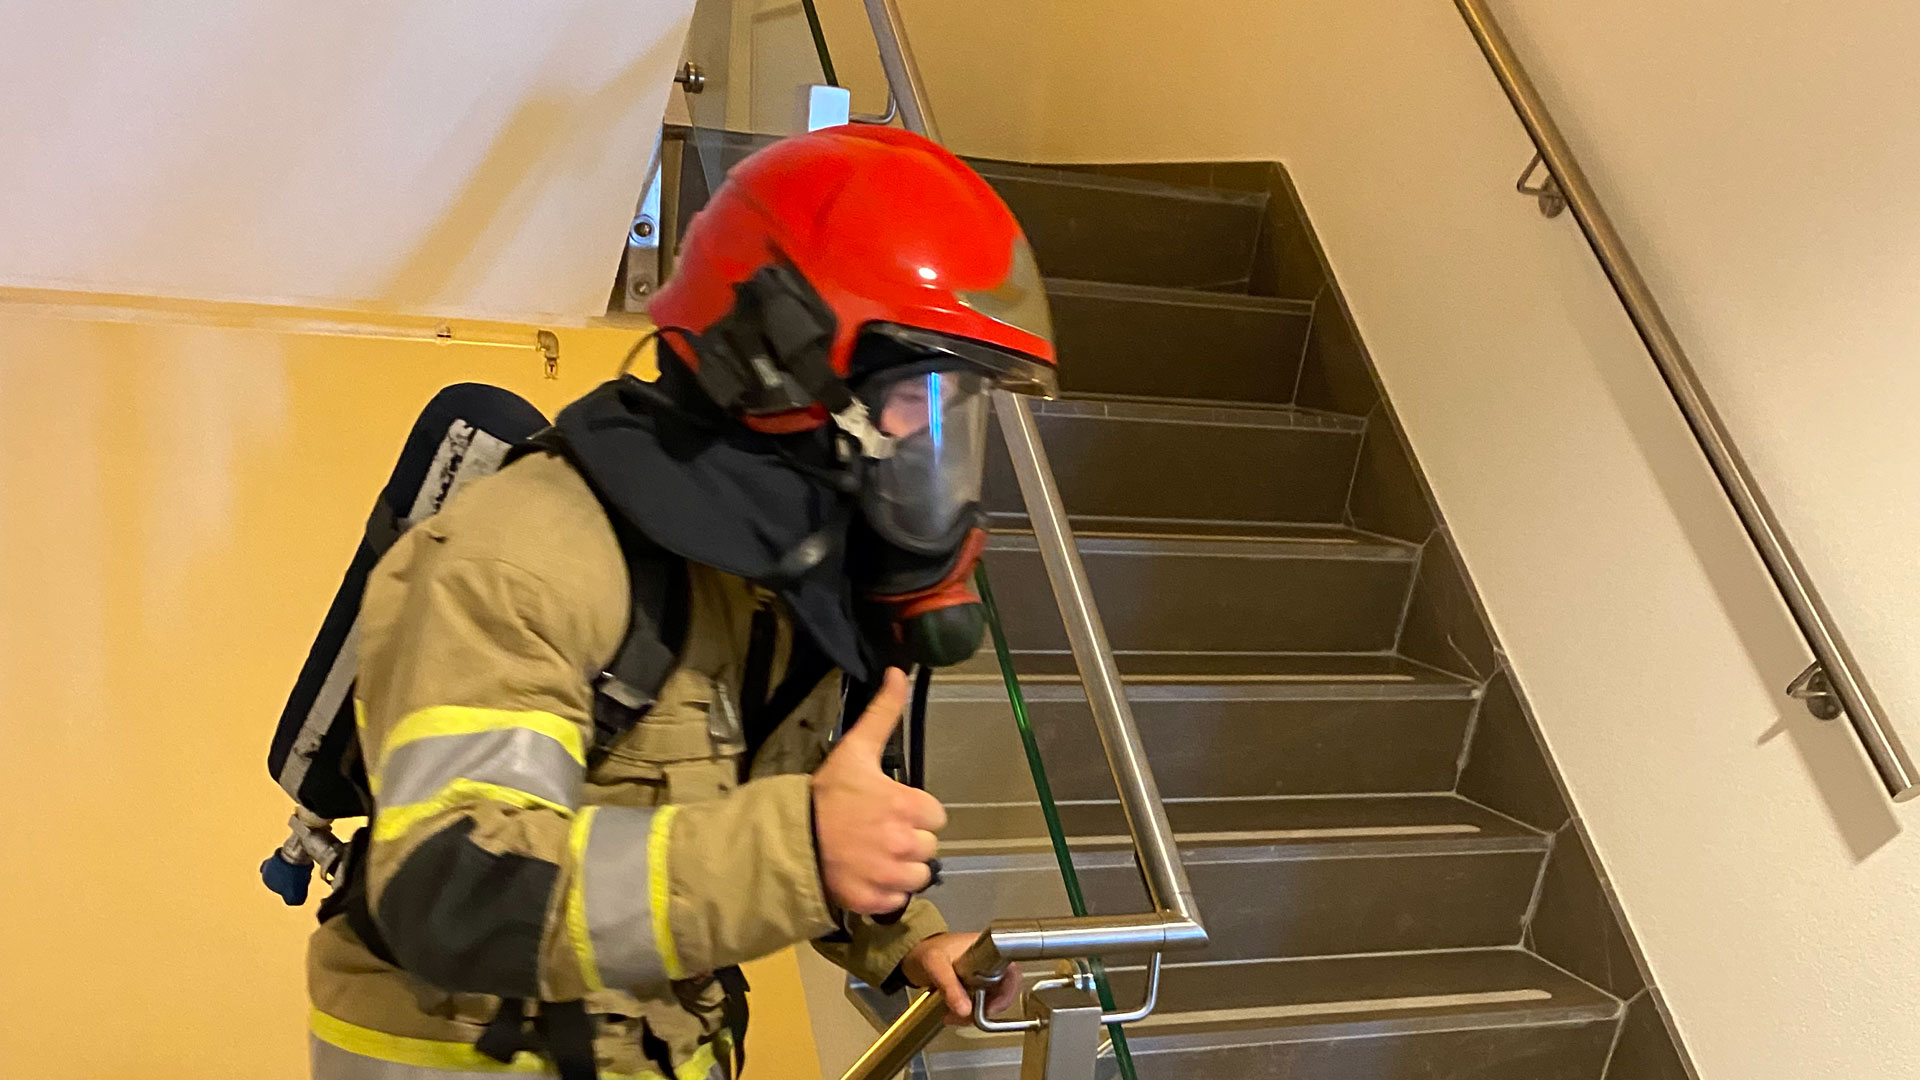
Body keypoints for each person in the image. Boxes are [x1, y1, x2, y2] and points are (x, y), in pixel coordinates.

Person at [304, 124, 1058, 1080]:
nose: (929, 442)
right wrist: (804, 847)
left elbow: (768, 801)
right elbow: (458, 885)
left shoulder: (758, 577)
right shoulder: (521, 557)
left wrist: (906, 938)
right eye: (919, 393)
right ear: (782, 358)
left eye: (956, 413)